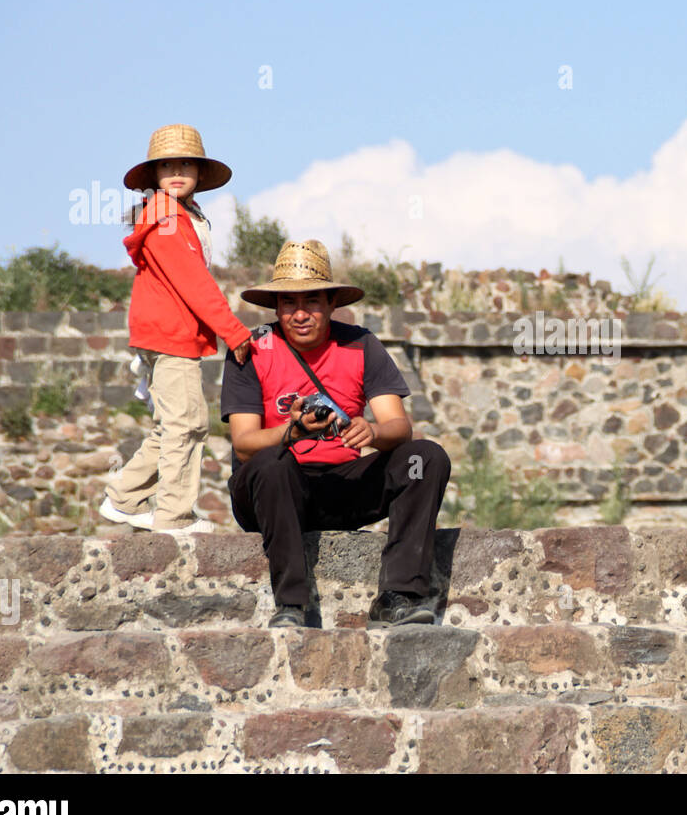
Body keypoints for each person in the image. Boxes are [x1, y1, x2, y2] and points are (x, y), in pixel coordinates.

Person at [221, 239, 451, 628]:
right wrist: (290, 433)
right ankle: (291, 606)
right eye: (289, 304)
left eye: (312, 302)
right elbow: (244, 445)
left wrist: (373, 432)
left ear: (331, 304)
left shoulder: (361, 344)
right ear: (276, 308)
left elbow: (399, 427)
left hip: (342, 488)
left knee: (423, 458)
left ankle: (399, 596)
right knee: (270, 466)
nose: (300, 314)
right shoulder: (252, 349)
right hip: (272, 492)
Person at [101, 124, 253, 535]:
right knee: (187, 424)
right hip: (170, 334)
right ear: (154, 176)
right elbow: (193, 282)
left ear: (200, 172)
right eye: (167, 165)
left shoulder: (178, 215)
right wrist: (234, 331)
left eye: (185, 162)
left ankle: (124, 498)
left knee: (173, 424)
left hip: (166, 332)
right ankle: (173, 517)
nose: (177, 170)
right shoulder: (167, 219)